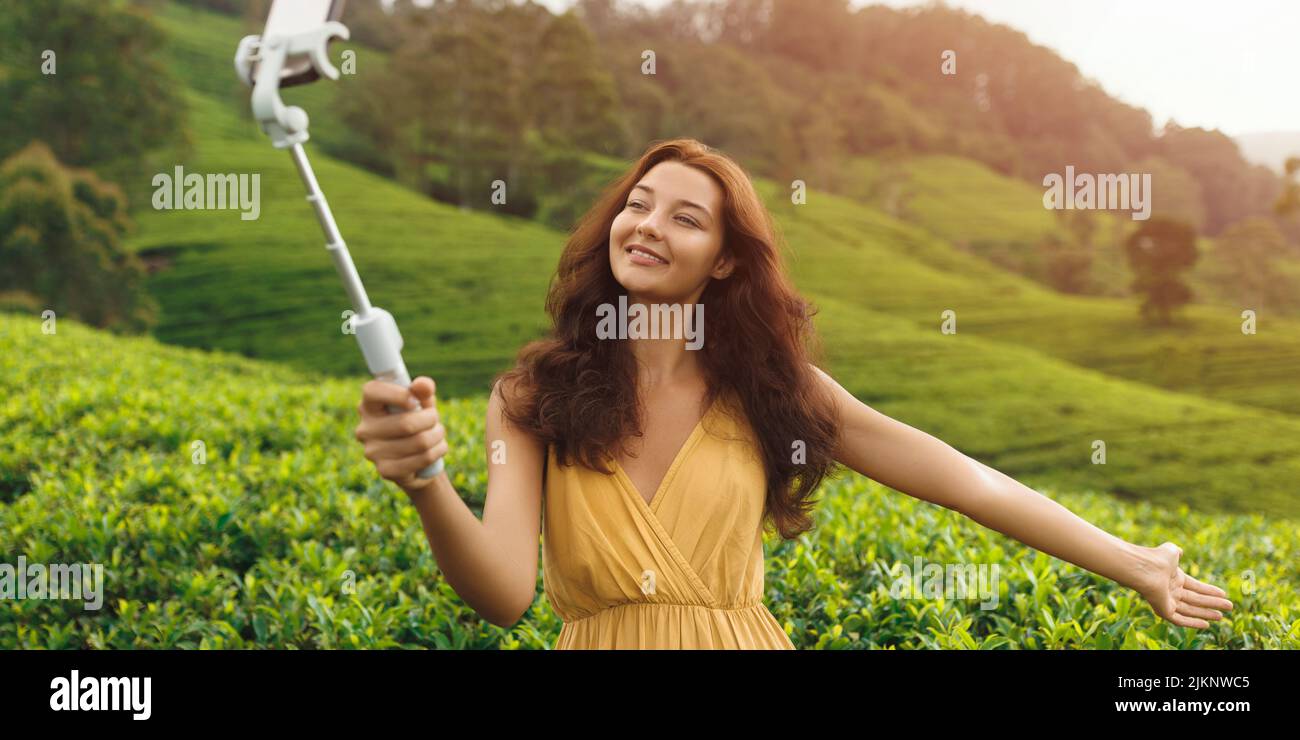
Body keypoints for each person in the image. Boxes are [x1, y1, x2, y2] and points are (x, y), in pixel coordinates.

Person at [353, 138, 1233, 649]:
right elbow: (506, 595)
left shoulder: (775, 390)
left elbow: (971, 483)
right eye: (639, 204)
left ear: (725, 260)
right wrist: (427, 485)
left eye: (685, 218)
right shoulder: (530, 397)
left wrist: (1138, 564)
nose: (648, 225)